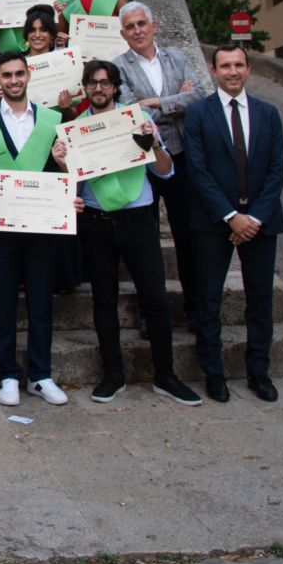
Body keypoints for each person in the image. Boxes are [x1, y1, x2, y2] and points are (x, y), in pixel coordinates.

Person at [60, 59, 202, 406]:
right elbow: (71, 185)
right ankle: (113, 373)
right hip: (97, 220)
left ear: (116, 87)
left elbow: (167, 172)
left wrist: (153, 144)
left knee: (154, 299)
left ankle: (165, 375)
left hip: (139, 219)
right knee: (103, 301)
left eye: (105, 82)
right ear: (85, 88)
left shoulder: (138, 118)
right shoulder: (74, 128)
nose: (98, 88)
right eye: (92, 83)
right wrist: (62, 161)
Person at [183, 44, 283, 404]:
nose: (232, 71)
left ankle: (259, 370)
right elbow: (197, 169)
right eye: (225, 65)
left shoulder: (269, 114)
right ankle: (214, 372)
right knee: (208, 300)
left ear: (248, 70)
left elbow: (277, 170)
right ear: (213, 70)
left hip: (261, 221)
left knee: (260, 299)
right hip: (214, 220)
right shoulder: (197, 114)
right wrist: (230, 215)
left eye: (239, 65)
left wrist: (253, 217)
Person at [0, 52, 69, 408]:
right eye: (7, 75)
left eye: (19, 74)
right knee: (5, 301)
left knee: (41, 300)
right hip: (0, 223)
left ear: (29, 75)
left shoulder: (53, 120)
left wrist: (65, 172)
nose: (13, 80)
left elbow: (63, 172)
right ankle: (8, 374)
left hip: (42, 223)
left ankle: (41, 375)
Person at [113, 2, 208, 331]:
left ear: (153, 26)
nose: (137, 30)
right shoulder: (118, 67)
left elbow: (200, 96)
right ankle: (149, 312)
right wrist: (173, 103)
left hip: (181, 157)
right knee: (145, 240)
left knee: (188, 235)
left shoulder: (178, 58)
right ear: (122, 33)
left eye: (142, 24)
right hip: (143, 160)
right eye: (130, 26)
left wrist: (155, 102)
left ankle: (196, 308)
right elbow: (129, 111)